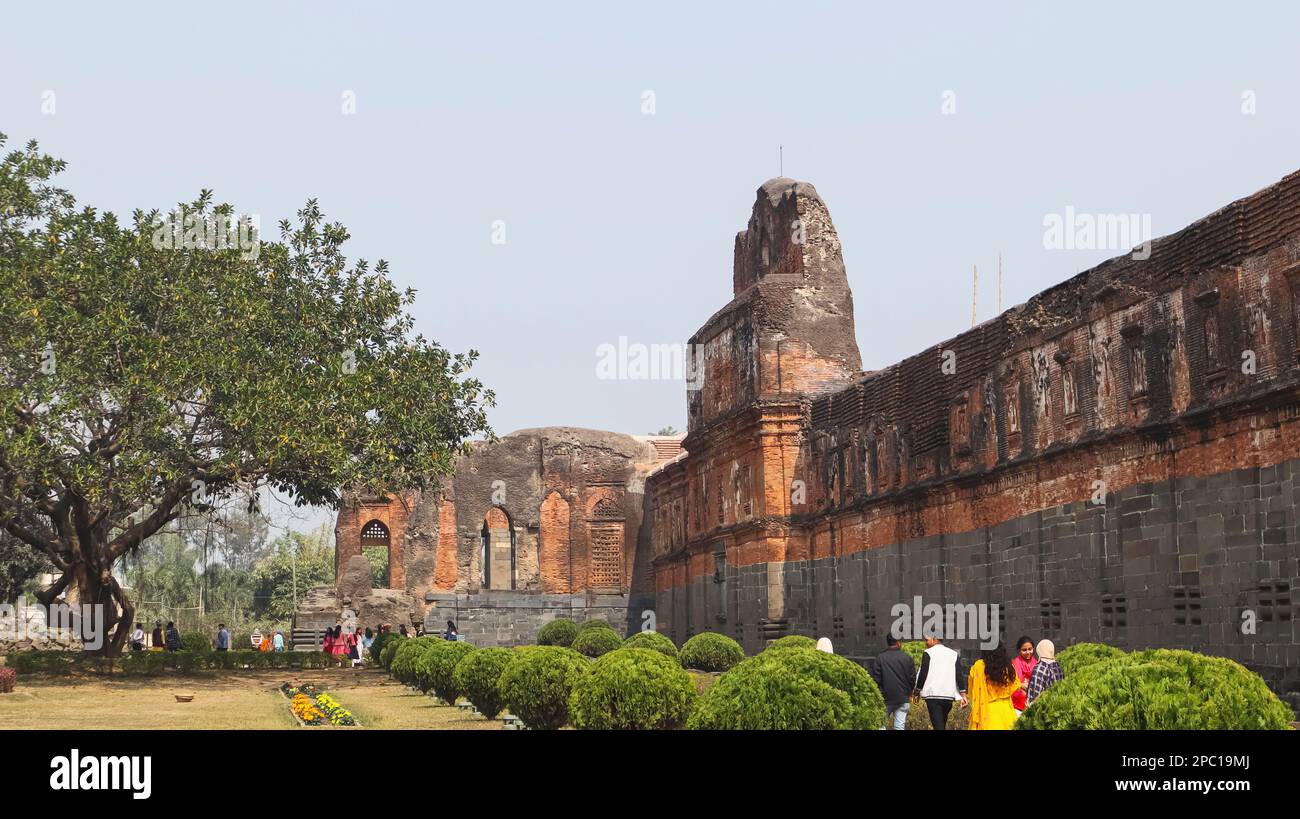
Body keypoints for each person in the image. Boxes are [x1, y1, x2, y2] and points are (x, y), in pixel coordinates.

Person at [912, 633, 967, 730]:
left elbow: (923, 674)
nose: (926, 643)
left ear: (934, 639)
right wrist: (963, 694)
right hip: (948, 697)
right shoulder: (953, 654)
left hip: (933, 696)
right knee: (941, 724)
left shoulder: (928, 653)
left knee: (938, 726)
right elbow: (959, 675)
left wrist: (917, 691)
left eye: (927, 640)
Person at [967, 645, 1020, 730]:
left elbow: (972, 689)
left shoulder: (979, 666)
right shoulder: (1007, 665)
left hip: (987, 713)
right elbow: (1015, 685)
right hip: (1007, 712)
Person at [869, 634, 915, 730]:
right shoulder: (907, 658)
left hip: (885, 698)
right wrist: (910, 692)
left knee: (881, 725)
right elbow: (912, 679)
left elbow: (875, 679)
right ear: (898, 643)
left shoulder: (880, 658)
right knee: (899, 726)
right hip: (903, 698)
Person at [1025, 639, 1064, 706]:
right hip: (1057, 706)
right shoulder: (1058, 667)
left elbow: (1035, 697)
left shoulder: (1040, 668)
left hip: (1043, 709)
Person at [1010, 635, 1038, 714]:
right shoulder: (1015, 664)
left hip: (1034, 702)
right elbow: (1010, 683)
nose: (1028, 652)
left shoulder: (1036, 663)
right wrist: (1021, 685)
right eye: (1024, 650)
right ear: (1019, 650)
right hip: (1017, 706)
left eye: (1030, 649)